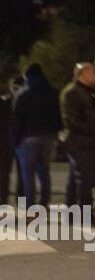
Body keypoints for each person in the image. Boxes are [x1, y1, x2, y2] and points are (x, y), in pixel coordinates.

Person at [12, 63, 59, 208]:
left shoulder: (24, 94)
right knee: (44, 171)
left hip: (28, 137)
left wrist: (14, 140)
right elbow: (58, 114)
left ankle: (30, 205)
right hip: (48, 136)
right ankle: (44, 203)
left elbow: (17, 119)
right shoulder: (53, 92)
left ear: (27, 76)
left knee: (28, 174)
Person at [60, 61, 95, 210]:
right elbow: (72, 120)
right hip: (79, 142)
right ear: (82, 74)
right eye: (93, 73)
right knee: (85, 179)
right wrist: (93, 130)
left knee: (75, 179)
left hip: (83, 141)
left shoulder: (85, 91)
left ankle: (71, 211)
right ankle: (85, 215)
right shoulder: (73, 92)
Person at [0, 78, 19, 206]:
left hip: (6, 142)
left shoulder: (5, 102)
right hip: (8, 142)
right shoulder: (6, 103)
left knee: (4, 174)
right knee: (4, 175)